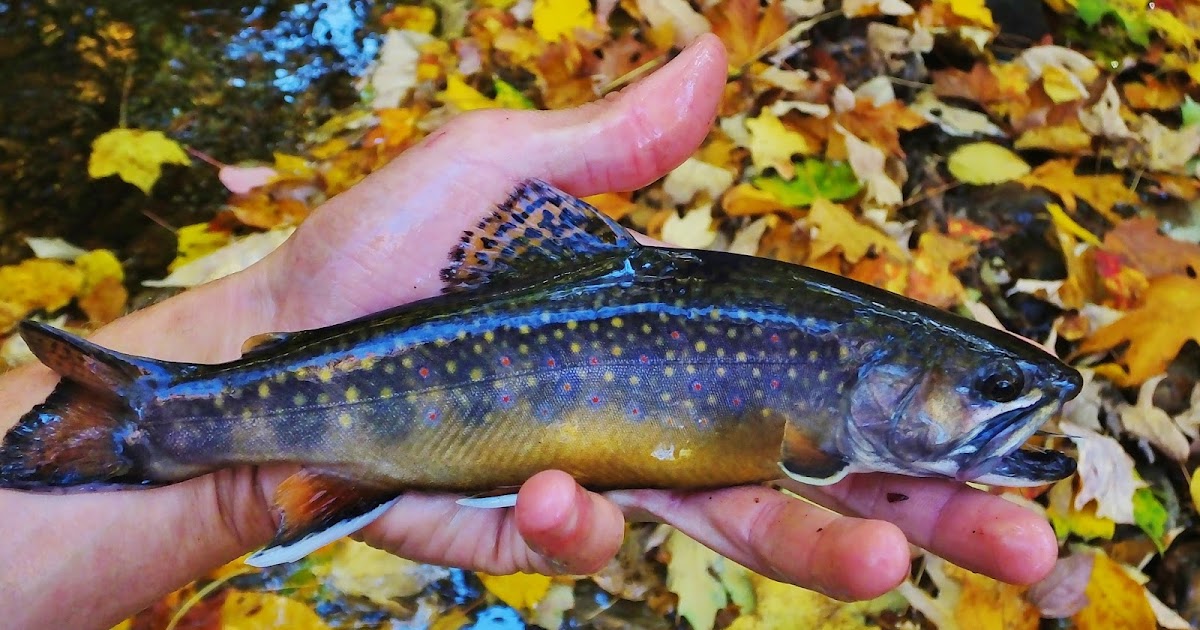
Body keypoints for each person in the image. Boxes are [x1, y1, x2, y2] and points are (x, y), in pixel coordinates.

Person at [0, 34, 1059, 629]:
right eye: (994, 390)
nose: (1013, 404)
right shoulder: (820, 422)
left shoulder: (830, 388)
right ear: (886, 372)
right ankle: (156, 418)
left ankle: (162, 418)